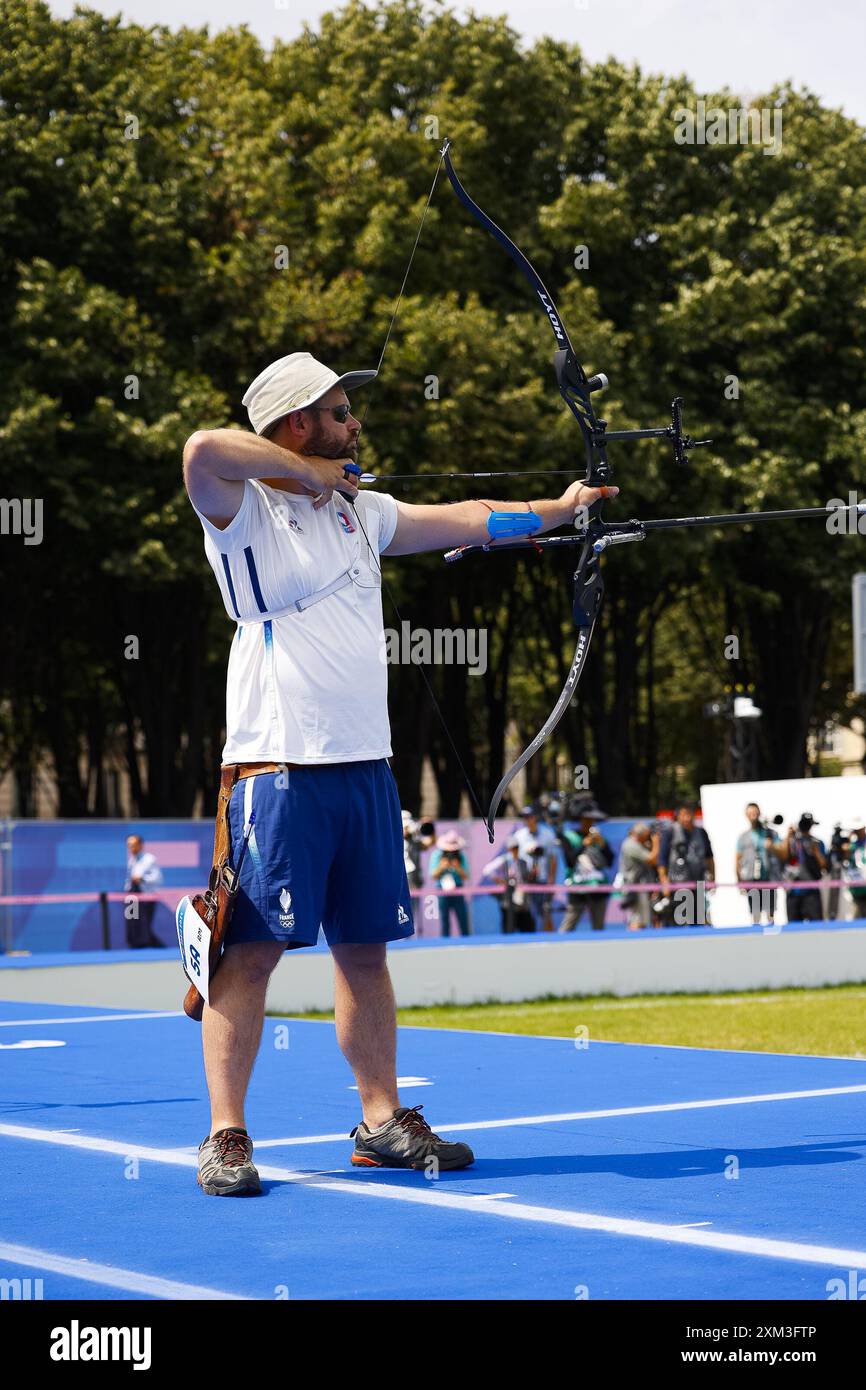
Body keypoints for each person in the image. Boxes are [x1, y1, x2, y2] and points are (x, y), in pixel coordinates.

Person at [183, 349, 613, 1193]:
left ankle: (380, 1119)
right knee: (252, 954)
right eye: (340, 413)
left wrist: (558, 513)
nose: (356, 426)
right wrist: (308, 476)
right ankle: (226, 1135)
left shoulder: (361, 514)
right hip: (279, 767)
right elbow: (204, 448)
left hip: (364, 768)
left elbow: (464, 518)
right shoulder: (243, 512)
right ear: (299, 423)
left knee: (365, 953)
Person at [656, 803, 715, 927]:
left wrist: (712, 877)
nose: (687, 818)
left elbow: (709, 857)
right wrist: (664, 881)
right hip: (677, 885)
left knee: (698, 920)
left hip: (698, 884)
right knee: (679, 920)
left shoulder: (701, 832)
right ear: (677, 816)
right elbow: (662, 860)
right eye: (683, 815)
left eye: (689, 815)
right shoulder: (670, 832)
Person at [558, 804, 614, 931]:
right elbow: (570, 862)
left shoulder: (600, 839)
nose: (589, 822)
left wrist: (603, 845)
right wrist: (584, 844)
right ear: (580, 819)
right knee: (568, 926)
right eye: (586, 819)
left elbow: (610, 862)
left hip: (598, 888)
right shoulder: (570, 836)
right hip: (578, 888)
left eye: (591, 820)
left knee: (598, 928)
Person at [735, 802, 783, 926]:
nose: (753, 815)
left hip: (769, 879)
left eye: (755, 812)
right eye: (750, 813)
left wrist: (771, 846)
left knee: (770, 914)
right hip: (752, 880)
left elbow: (782, 852)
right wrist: (739, 881)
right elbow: (737, 859)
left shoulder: (771, 834)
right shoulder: (743, 837)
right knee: (755, 914)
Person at [513, 805, 558, 931]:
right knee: (527, 913)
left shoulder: (547, 833)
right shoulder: (519, 836)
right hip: (526, 880)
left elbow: (553, 857)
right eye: (525, 817)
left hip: (543, 879)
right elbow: (517, 859)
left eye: (530, 817)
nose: (527, 820)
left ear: (535, 817)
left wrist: (551, 878)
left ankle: (550, 942)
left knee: (545, 911)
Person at [482, 836, 536, 933]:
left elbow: (529, 874)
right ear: (509, 849)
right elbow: (487, 870)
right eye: (513, 848)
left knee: (528, 927)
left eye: (516, 847)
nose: (515, 850)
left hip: (522, 901)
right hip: (508, 899)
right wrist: (500, 881)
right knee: (508, 927)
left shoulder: (523, 860)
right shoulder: (504, 860)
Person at [781, 813, 827, 922]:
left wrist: (815, 851)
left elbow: (824, 866)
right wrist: (788, 836)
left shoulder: (817, 842)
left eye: (808, 824)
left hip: (811, 892)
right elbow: (783, 857)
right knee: (793, 930)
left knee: (817, 928)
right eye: (804, 824)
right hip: (793, 891)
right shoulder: (792, 841)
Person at [618, 822, 661, 930]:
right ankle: (633, 942)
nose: (648, 839)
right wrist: (656, 842)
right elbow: (652, 859)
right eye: (646, 836)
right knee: (639, 920)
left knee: (642, 919)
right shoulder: (630, 845)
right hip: (635, 887)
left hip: (640, 886)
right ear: (640, 835)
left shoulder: (638, 844)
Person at [124, 835, 165, 948]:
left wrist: (141, 879)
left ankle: (158, 948)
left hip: (147, 899)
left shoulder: (149, 859)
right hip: (133, 900)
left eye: (134, 845)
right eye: (129, 845)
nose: (131, 848)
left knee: (144, 926)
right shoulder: (132, 860)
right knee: (134, 924)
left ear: (140, 845)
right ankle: (137, 947)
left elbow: (158, 879)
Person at [429, 831, 471, 936]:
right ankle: (445, 943)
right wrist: (442, 866)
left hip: (458, 890)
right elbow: (433, 875)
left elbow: (466, 876)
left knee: (463, 919)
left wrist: (457, 867)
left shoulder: (461, 856)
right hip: (442, 891)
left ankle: (466, 941)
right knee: (444, 920)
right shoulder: (437, 855)